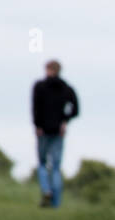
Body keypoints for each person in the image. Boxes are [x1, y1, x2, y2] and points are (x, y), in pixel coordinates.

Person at [31, 60, 79, 208]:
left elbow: (35, 107)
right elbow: (75, 109)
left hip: (43, 130)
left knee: (42, 164)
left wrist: (37, 125)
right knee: (56, 167)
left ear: (48, 69)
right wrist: (64, 121)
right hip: (59, 130)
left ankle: (46, 190)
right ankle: (56, 203)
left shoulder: (39, 86)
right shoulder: (66, 88)